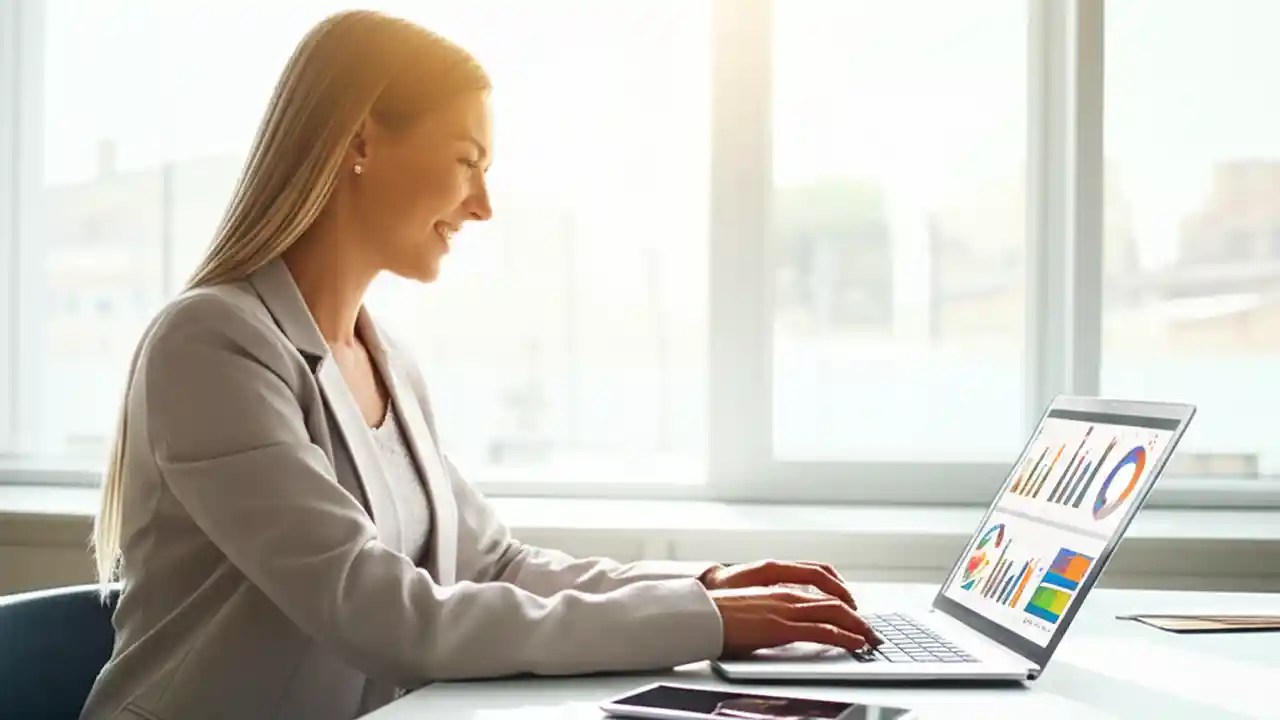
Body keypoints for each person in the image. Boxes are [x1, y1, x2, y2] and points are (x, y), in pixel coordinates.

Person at [80, 11, 878, 720]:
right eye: (467, 160)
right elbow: (379, 611)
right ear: (359, 139)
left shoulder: (382, 358)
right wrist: (702, 624)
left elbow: (494, 564)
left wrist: (704, 588)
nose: (482, 203)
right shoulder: (212, 344)